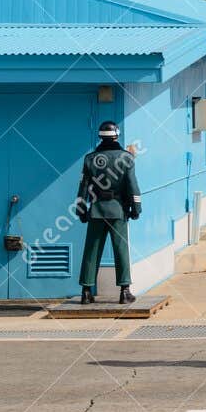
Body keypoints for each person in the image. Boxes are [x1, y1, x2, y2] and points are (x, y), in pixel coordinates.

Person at [74, 120, 141, 305]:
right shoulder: (126, 158)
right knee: (121, 250)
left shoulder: (90, 159)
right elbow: (132, 186)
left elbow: (83, 187)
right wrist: (136, 209)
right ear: (116, 136)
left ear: (100, 136)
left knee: (92, 251)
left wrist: (81, 209)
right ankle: (124, 291)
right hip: (118, 210)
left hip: (96, 210)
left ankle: (86, 291)